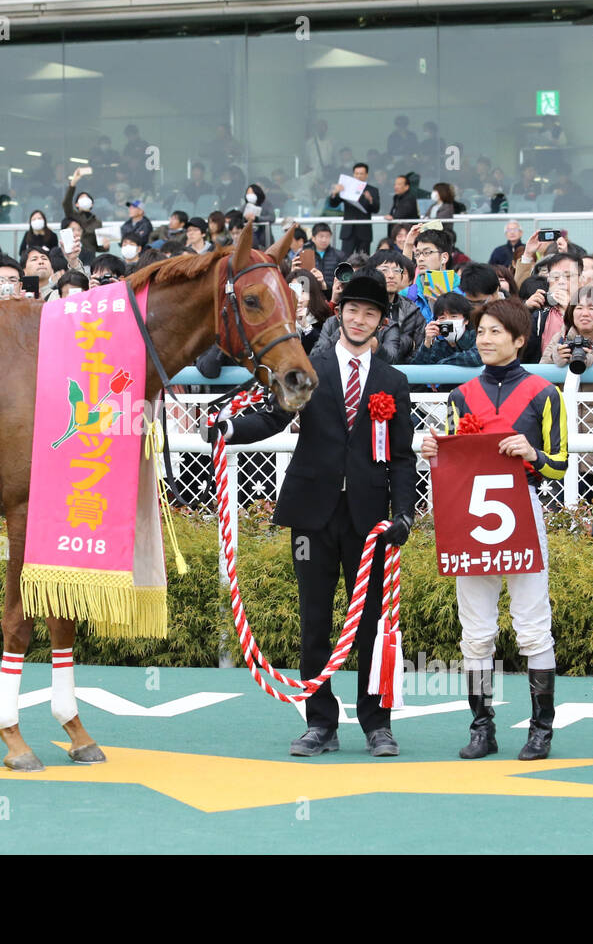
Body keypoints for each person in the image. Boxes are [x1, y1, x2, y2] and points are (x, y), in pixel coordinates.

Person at [207, 273, 415, 758]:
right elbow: (272, 417)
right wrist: (229, 428)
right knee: (314, 619)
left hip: (370, 521)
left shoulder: (393, 382)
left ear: (381, 323)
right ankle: (320, 722)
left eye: (371, 313)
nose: (360, 320)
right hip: (312, 514)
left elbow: (404, 457)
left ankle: (376, 724)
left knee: (370, 625)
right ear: (338, 314)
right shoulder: (308, 367)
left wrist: (403, 514)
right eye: (353, 310)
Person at [419, 298, 567, 761]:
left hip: (523, 512)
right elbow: (447, 461)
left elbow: (560, 465)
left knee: (532, 627)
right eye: (480, 331)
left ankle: (541, 730)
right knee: (476, 631)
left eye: (495, 332)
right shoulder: (459, 396)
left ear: (520, 340)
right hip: (470, 518)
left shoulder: (546, 393)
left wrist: (532, 454)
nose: (484, 339)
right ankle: (482, 727)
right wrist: (431, 450)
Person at [411, 291, 479, 366]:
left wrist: (443, 363)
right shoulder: (438, 346)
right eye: (442, 318)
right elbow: (418, 370)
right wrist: (427, 342)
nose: (448, 321)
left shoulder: (477, 337)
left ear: (466, 320)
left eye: (454, 316)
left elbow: (477, 357)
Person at [327, 162, 380, 255]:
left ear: (366, 175)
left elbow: (376, 209)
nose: (358, 176)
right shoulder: (346, 187)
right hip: (348, 230)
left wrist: (370, 200)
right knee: (345, 259)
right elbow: (333, 204)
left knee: (363, 260)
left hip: (364, 231)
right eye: (356, 173)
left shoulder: (372, 190)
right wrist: (335, 193)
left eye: (361, 174)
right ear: (353, 174)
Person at [62, 168, 101, 253]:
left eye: (87, 198)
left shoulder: (97, 222)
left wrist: (105, 246)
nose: (85, 199)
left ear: (92, 204)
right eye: (81, 198)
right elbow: (66, 203)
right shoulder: (73, 216)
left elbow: (98, 246)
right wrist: (73, 182)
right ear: (76, 204)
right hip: (74, 253)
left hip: (90, 256)